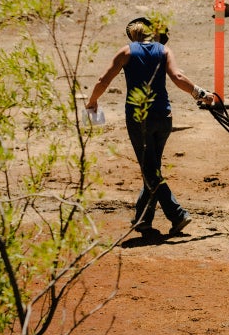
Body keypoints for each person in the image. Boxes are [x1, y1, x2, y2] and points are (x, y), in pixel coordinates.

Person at [86, 16, 218, 237]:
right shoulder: (164, 51)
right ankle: (142, 220)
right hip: (164, 117)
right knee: (152, 168)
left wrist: (92, 102)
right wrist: (202, 94)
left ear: (134, 34)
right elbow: (177, 76)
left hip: (139, 118)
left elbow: (103, 80)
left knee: (150, 170)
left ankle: (177, 214)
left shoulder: (127, 52)